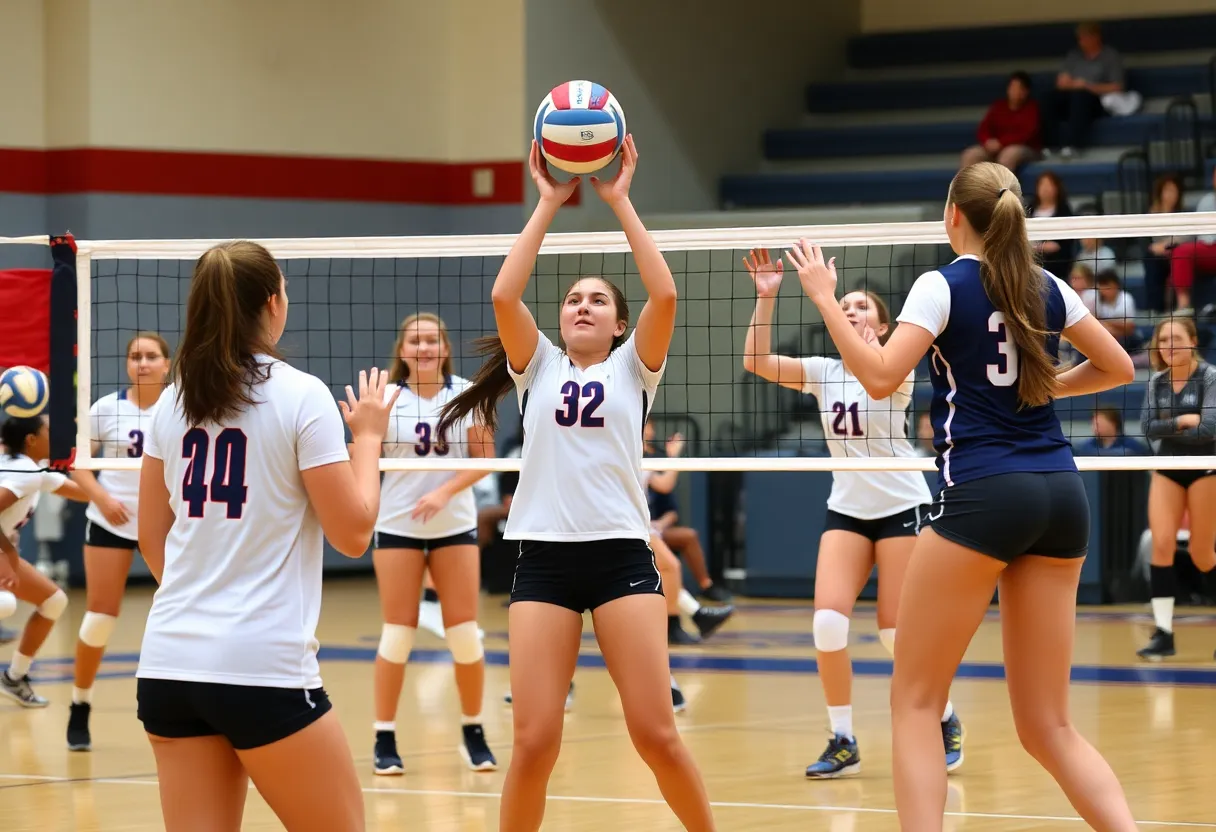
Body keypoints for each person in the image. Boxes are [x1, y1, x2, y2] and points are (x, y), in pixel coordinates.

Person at [787, 161, 1138, 830]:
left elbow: (883, 377)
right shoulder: (1048, 285)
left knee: (915, 702)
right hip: (1062, 495)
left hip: (985, 493)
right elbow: (1119, 366)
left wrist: (825, 298)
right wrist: (1040, 386)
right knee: (1049, 727)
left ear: (953, 216)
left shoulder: (939, 285)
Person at [436, 137, 716, 832]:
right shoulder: (538, 366)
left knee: (654, 734)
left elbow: (667, 291)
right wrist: (547, 204)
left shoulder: (634, 367)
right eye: (572, 300)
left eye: (597, 300)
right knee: (534, 742)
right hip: (544, 560)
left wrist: (618, 199)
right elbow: (505, 292)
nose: (582, 306)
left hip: (622, 555)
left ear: (620, 324)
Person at [134, 240, 399, 832]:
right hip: (261, 667)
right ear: (273, 302)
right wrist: (371, 438)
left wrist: (206, 597)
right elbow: (354, 533)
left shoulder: (170, 404)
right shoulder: (302, 395)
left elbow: (153, 538)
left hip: (170, 662)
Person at [740, 249, 963, 779]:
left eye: (861, 306)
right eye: (845, 304)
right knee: (826, 624)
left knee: (895, 633)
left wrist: (826, 300)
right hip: (847, 508)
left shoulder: (897, 368)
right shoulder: (821, 372)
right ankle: (842, 738)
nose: (852, 309)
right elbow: (755, 361)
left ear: (884, 325)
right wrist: (766, 298)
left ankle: (946, 716)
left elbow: (880, 373)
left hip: (901, 504)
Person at [370, 312, 497, 776]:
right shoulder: (382, 399)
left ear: (444, 347)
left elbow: (488, 461)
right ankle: (384, 735)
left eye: (432, 340)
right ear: (402, 350)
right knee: (398, 632)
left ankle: (473, 729)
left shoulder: (467, 394)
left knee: (464, 633)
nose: (423, 348)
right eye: (415, 341)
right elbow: (363, 457)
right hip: (397, 526)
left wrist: (444, 490)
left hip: (453, 526)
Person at [66, 331, 172, 751]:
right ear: (127, 364)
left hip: (165, 524)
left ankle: (186, 702)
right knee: (100, 616)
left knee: (178, 611)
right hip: (111, 521)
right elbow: (78, 466)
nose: (142, 363)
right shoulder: (105, 409)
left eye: (151, 356)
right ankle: (80, 704)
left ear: (167, 364)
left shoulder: (180, 406)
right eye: (135, 356)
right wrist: (104, 498)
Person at [1137, 318, 1216, 660]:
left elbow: (1211, 428)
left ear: (1193, 341)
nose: (1169, 344)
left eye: (1177, 338)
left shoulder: (1210, 376)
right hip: (1167, 468)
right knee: (1162, 545)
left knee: (1201, 554)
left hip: (1205, 468)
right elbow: (1147, 428)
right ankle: (1163, 634)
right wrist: (1184, 421)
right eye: (1163, 338)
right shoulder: (1156, 382)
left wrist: (1171, 426)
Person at [0, 415, 88, 707]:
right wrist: (11, 556)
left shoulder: (32, 470)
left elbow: (85, 493)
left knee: (53, 601)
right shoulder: (25, 472)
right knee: (5, 604)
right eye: (48, 429)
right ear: (32, 440)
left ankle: (14, 677)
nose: (55, 434)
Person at [644, 422, 733, 604]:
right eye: (647, 425)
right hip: (627, 529)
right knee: (666, 567)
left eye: (651, 425)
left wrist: (673, 457)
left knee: (671, 563)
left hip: (648, 527)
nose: (649, 430)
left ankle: (701, 595)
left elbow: (666, 491)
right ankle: (684, 618)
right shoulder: (626, 456)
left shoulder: (649, 461)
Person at [959, 71, 1041, 172]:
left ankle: (1001, 188)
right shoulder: (999, 106)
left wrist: (1002, 143)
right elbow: (984, 128)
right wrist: (987, 141)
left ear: (1026, 91)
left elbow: (1027, 134)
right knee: (970, 155)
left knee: (1008, 156)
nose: (1015, 91)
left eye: (1019, 88)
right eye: (1012, 87)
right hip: (995, 147)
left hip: (1024, 148)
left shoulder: (1032, 108)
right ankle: (968, 188)